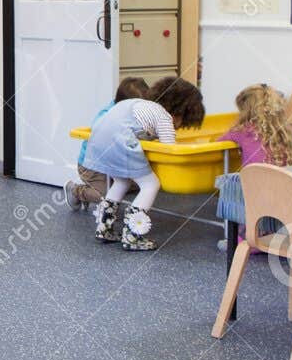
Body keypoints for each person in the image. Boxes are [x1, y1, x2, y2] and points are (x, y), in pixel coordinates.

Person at [84, 75, 205, 250]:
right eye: (182, 123)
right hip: (121, 140)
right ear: (179, 112)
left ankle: (104, 227)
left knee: (121, 181)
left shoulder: (137, 104)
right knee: (150, 184)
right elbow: (171, 149)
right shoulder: (164, 117)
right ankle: (133, 235)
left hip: (99, 139)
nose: (178, 127)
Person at [66, 75, 150, 210]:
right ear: (122, 105)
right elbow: (101, 132)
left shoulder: (138, 114)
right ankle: (75, 190)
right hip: (93, 166)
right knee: (105, 196)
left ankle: (105, 186)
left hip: (116, 162)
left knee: (137, 183)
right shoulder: (106, 115)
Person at [219, 83, 292, 167]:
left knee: (224, 179)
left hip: (253, 179)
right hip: (281, 178)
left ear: (246, 111)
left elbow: (218, 143)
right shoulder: (286, 130)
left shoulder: (242, 131)